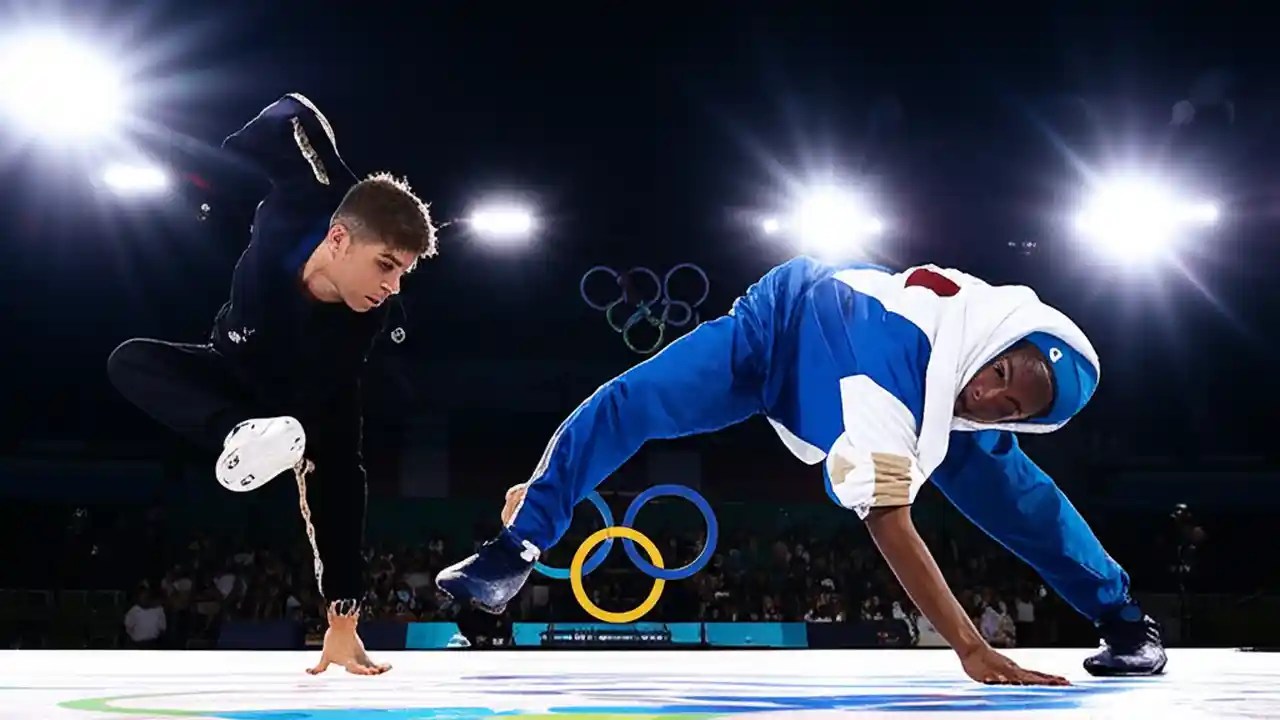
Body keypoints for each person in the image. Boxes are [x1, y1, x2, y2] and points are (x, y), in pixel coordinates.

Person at [439, 256, 1166, 685]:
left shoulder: (985, 334)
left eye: (1013, 407)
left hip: (870, 355)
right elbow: (889, 523)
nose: (992, 395)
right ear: (999, 343)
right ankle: (511, 553)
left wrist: (983, 413)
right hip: (774, 335)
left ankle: (1128, 623)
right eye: (1003, 374)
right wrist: (971, 649)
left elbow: (976, 361)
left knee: (1021, 496)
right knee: (628, 402)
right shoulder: (889, 377)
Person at [108, 93, 438, 675]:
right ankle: (240, 434)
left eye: (403, 273)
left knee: (338, 465)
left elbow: (341, 479)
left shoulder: (366, 327)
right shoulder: (315, 196)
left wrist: (342, 621)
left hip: (300, 403)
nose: (392, 285)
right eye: (386, 264)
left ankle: (267, 437)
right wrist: (224, 159)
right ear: (339, 239)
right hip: (227, 374)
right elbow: (294, 109)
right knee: (130, 359)